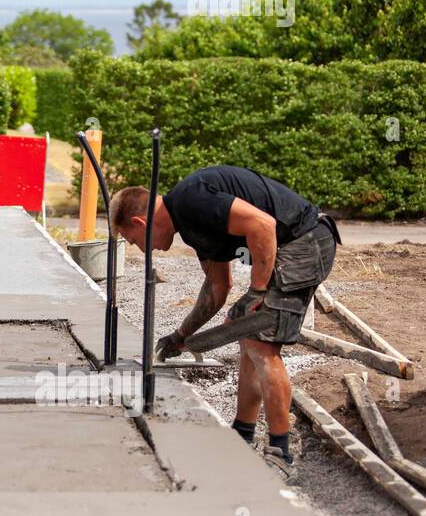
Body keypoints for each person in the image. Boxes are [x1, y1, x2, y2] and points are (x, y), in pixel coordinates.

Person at [109, 165, 340, 478]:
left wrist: (257, 291)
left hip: (306, 241)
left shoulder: (192, 201)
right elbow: (218, 289)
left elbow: (263, 224)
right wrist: (181, 336)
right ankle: (243, 434)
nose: (140, 248)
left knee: (260, 341)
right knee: (246, 331)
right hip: (294, 243)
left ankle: (281, 453)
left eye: (134, 240)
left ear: (141, 222)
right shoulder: (189, 224)